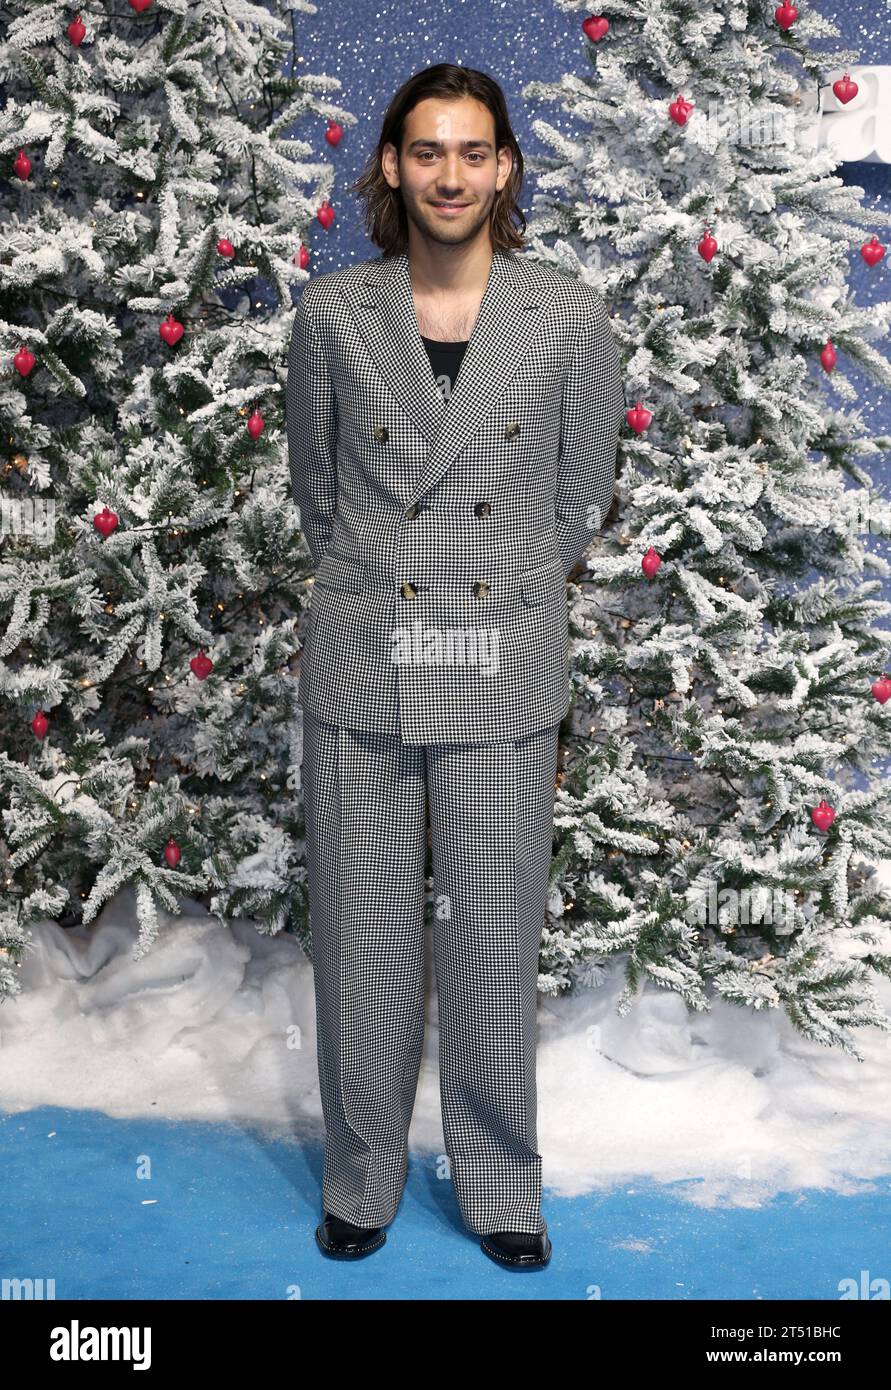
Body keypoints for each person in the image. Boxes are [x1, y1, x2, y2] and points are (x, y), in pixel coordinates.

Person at [286, 62, 625, 1269]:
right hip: (364, 663)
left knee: (491, 942)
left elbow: (583, 494)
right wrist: (383, 581)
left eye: (473, 152)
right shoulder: (333, 313)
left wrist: (505, 584)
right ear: (392, 165)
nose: (450, 174)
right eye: (426, 150)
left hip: (502, 662)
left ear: (505, 168)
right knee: (364, 941)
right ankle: (362, 1178)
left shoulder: (568, 316)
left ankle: (499, 1185)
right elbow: (317, 491)